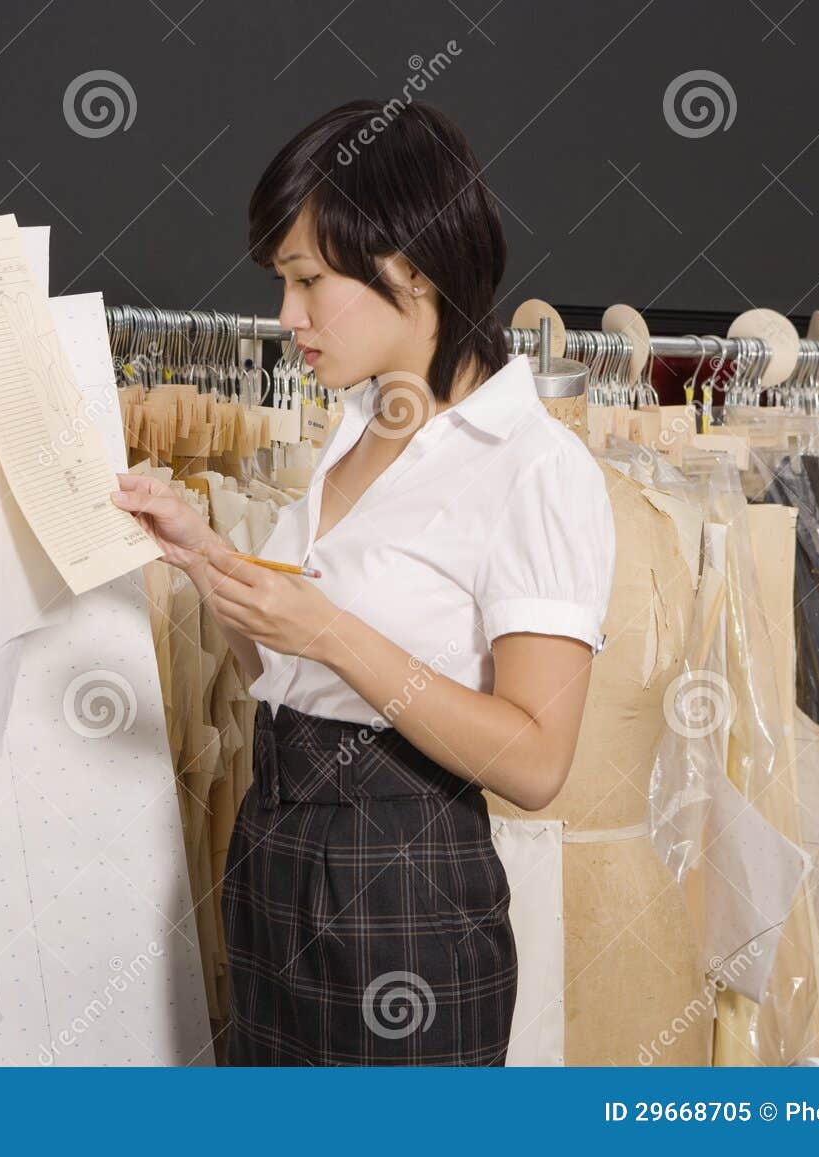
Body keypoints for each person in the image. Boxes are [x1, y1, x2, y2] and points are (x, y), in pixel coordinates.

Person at [110, 99, 616, 1066]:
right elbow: (289, 670)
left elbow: (536, 760)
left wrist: (332, 631)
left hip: (403, 892)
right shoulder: (355, 430)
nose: (286, 317)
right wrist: (203, 554)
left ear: (413, 267)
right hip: (272, 856)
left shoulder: (533, 467)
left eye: (308, 280)